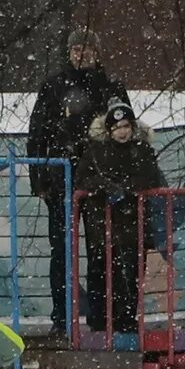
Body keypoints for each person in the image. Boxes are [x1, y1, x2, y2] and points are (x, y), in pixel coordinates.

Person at [26, 26, 132, 309]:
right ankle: (62, 317)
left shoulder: (110, 86)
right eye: (75, 49)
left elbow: (127, 130)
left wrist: (123, 175)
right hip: (61, 178)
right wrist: (38, 179)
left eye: (86, 49)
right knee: (61, 249)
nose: (80, 54)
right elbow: (37, 133)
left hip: (100, 179)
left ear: (96, 53)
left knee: (102, 249)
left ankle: (101, 315)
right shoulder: (54, 86)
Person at [73, 101, 164, 334]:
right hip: (103, 226)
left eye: (126, 126)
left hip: (133, 223)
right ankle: (100, 319)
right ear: (108, 130)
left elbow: (150, 178)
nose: (122, 131)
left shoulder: (142, 150)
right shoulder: (95, 152)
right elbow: (83, 179)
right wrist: (105, 188)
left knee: (131, 272)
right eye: (117, 127)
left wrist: (125, 190)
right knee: (101, 271)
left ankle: (125, 318)